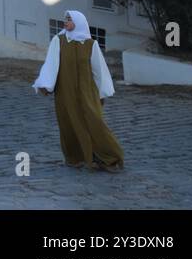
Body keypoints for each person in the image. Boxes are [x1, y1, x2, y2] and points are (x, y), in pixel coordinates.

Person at [32, 10, 125, 171]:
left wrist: (103, 92)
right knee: (69, 122)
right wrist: (46, 84)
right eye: (65, 19)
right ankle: (76, 157)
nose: (65, 22)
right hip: (65, 89)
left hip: (87, 91)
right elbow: (51, 64)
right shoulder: (58, 41)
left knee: (94, 121)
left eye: (69, 19)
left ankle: (110, 157)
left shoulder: (91, 44)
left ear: (78, 22)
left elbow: (99, 70)